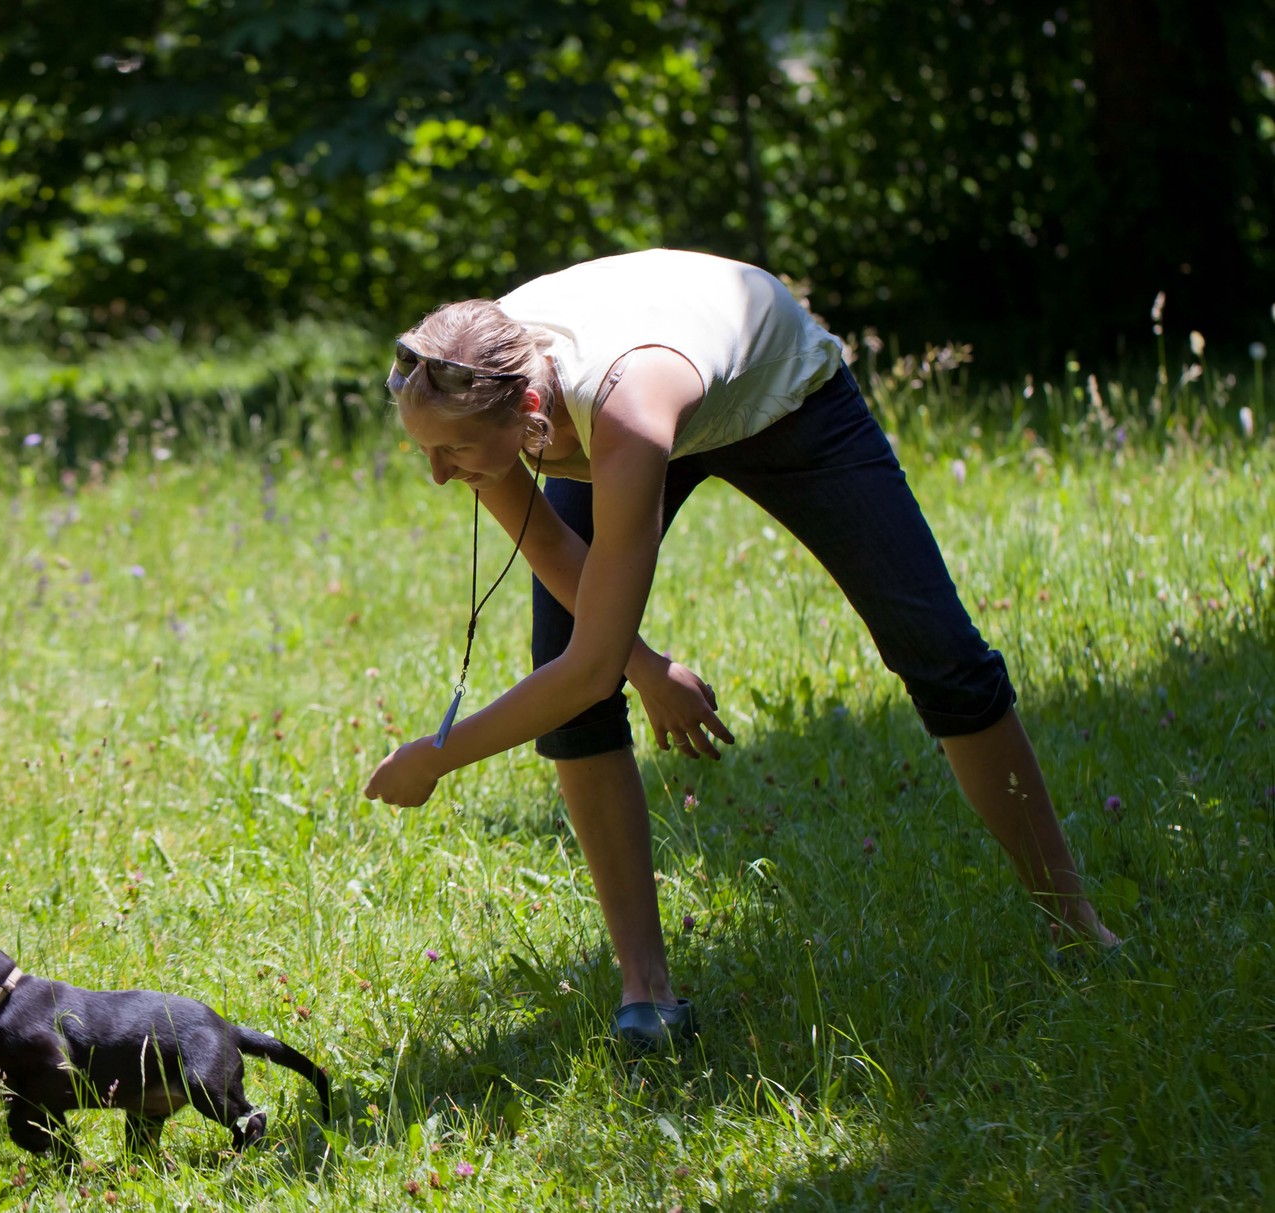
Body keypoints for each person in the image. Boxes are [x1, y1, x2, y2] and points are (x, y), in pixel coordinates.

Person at [363, 249, 1119, 1052]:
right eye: (425, 453)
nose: (440, 477)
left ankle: (1075, 922)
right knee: (573, 689)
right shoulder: (467, 381)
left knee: (940, 656)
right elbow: (556, 562)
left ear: (527, 408)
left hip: (777, 398)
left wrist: (436, 756)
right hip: (616, 402)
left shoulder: (612, 402)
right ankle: (646, 992)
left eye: (452, 456)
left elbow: (587, 668)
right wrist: (647, 668)